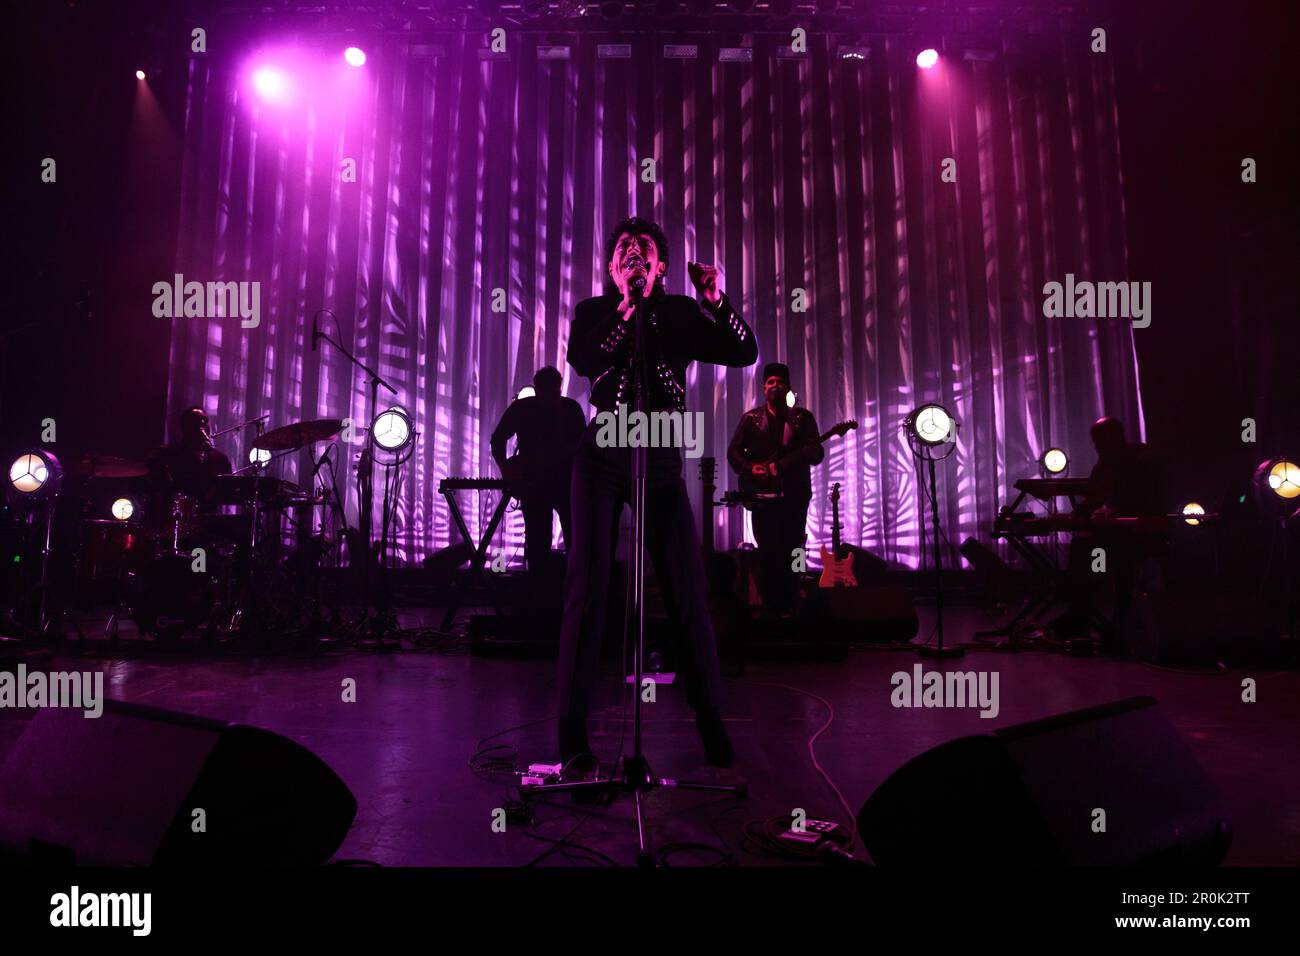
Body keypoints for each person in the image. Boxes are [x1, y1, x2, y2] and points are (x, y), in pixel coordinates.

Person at [558, 215, 757, 770]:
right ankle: (572, 736)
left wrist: (715, 300)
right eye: (624, 247)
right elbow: (584, 360)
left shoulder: (678, 312)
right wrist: (625, 307)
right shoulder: (595, 311)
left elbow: (742, 353)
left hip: (662, 449)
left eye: (645, 247)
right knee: (587, 589)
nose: (634, 253)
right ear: (611, 266)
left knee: (687, 592)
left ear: (664, 266)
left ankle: (711, 720)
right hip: (601, 453)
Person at [1058, 416, 1169, 649]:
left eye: (1101, 443)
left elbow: (1151, 499)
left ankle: (1105, 620)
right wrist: (1079, 512)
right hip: (1113, 537)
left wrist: (1115, 510)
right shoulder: (1103, 465)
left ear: (1116, 439)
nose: (1097, 448)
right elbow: (1093, 497)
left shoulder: (1143, 461)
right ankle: (1084, 615)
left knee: (1095, 555)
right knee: (1083, 549)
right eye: (1095, 444)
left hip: (1138, 536)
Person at [727, 363, 824, 614]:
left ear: (788, 386)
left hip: (795, 496)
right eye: (770, 381)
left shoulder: (803, 419)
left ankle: (796, 597)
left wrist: (809, 451)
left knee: (795, 548)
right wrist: (750, 468)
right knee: (767, 551)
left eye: (780, 381)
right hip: (761, 497)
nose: (775, 386)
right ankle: (771, 606)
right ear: (763, 387)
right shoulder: (751, 419)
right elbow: (734, 453)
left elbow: (816, 455)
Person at [490, 366, 587, 577]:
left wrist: (506, 467)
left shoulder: (523, 407)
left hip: (544, 483)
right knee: (557, 540)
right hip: (557, 483)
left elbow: (497, 439)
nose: (550, 398)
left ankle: (540, 592)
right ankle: (566, 591)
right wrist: (506, 468)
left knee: (541, 541)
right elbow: (583, 449)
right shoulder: (570, 408)